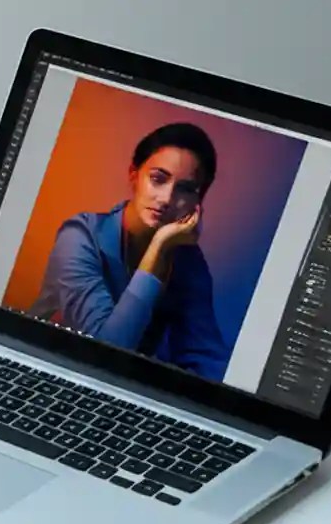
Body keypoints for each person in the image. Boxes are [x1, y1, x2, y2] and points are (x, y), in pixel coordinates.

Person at [30, 122, 230, 381]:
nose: (167, 198)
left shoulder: (188, 260)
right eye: (158, 179)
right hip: (45, 369)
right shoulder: (80, 237)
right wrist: (159, 248)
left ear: (198, 202)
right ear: (134, 176)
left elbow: (206, 356)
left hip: (119, 389)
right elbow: (104, 353)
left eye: (186, 189)